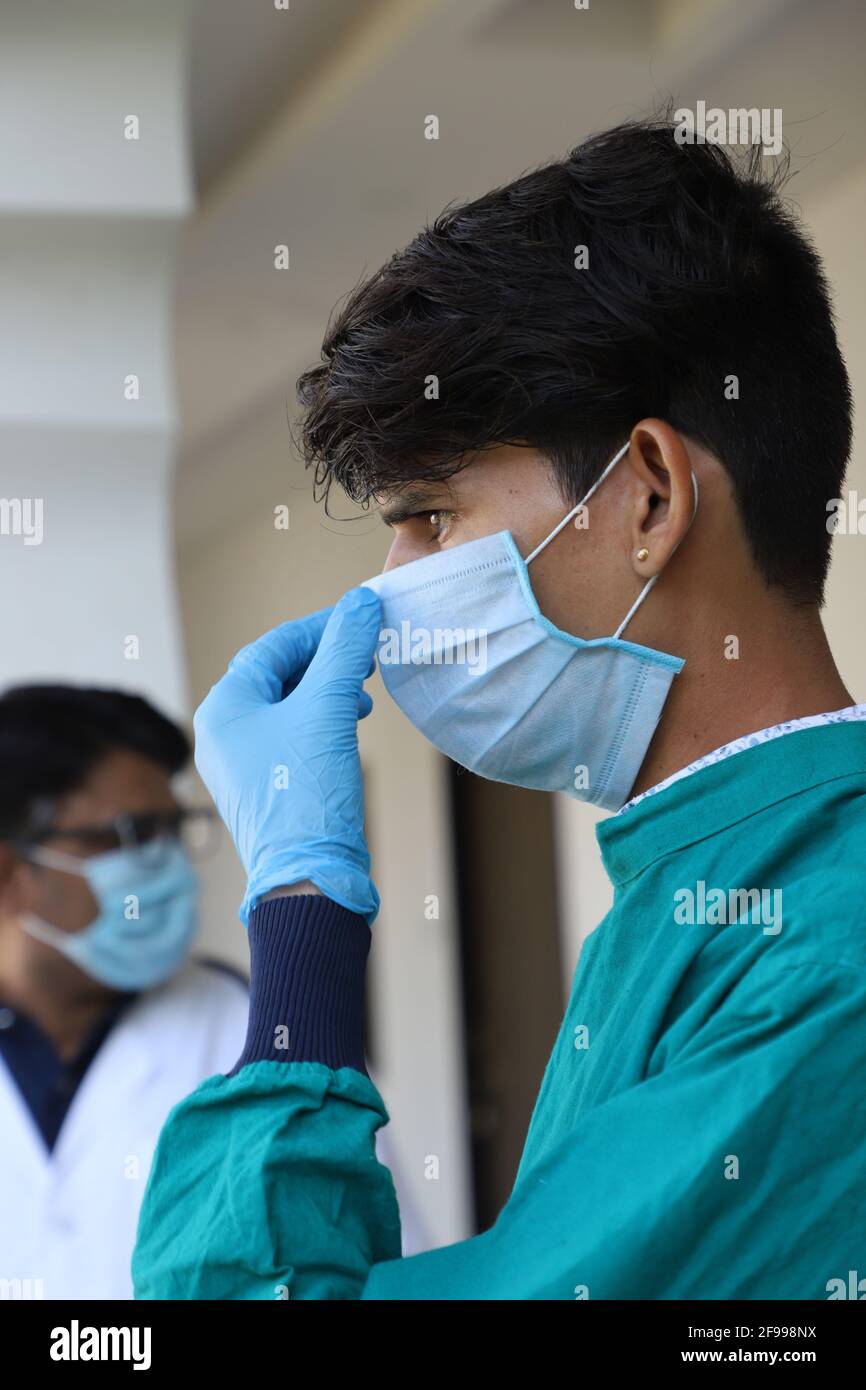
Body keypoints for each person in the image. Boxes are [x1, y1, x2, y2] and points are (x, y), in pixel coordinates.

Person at [133, 114, 866, 1300]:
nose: (388, 590)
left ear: (645, 496)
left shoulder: (823, 956)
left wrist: (301, 911)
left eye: (430, 513)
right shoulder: (690, 899)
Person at [0, 685, 249, 1299]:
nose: (167, 865)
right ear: (10, 869)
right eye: (133, 834)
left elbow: (383, 1265)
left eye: (173, 830)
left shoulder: (256, 1029)